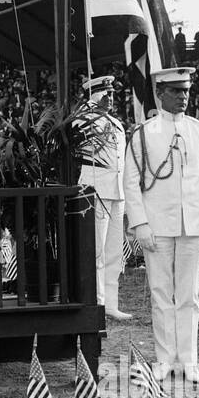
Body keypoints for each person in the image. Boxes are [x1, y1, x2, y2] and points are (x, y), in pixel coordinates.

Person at [123, 67, 199, 390]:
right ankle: (164, 359)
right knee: (160, 293)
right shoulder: (144, 133)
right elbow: (131, 182)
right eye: (176, 91)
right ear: (160, 93)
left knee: (189, 296)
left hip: (193, 224)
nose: (183, 97)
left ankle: (189, 360)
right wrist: (139, 222)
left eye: (186, 91)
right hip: (157, 225)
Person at [82, 75, 131, 322]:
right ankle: (98, 302)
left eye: (112, 94)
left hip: (116, 192)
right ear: (94, 95)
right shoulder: (83, 120)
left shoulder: (116, 123)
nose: (111, 98)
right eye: (106, 94)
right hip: (97, 191)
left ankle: (111, 303)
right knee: (98, 251)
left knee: (114, 251)